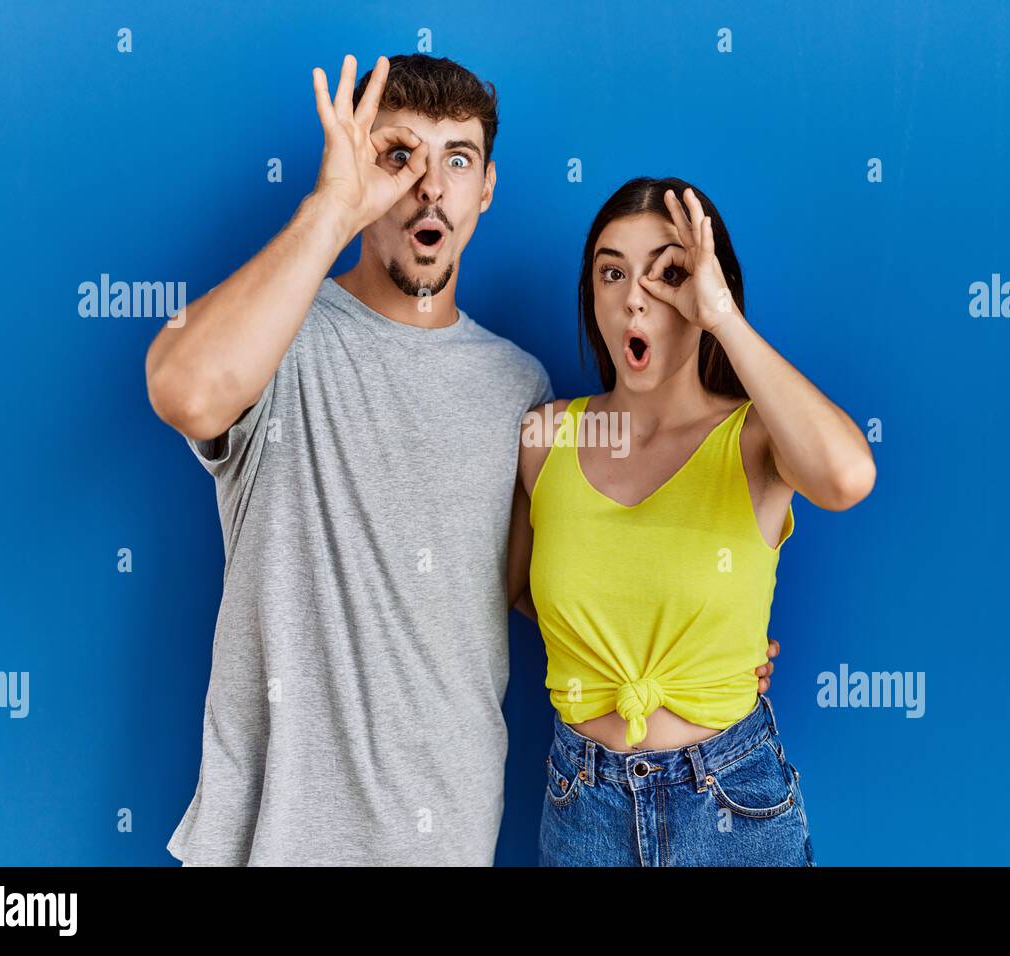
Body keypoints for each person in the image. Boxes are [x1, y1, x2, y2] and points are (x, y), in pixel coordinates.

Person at [146, 54, 780, 865]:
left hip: (445, 834)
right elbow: (182, 389)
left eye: (456, 159)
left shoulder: (521, 390)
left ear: (485, 188)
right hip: (276, 836)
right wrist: (331, 209)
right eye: (397, 156)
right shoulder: (279, 337)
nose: (429, 187)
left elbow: (527, 583)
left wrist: (708, 638)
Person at [512, 177, 876, 866]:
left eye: (670, 272)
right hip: (580, 807)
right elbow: (519, 590)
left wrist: (724, 320)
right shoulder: (545, 437)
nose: (636, 298)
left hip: (731, 803)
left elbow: (848, 476)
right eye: (611, 272)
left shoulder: (757, 439)